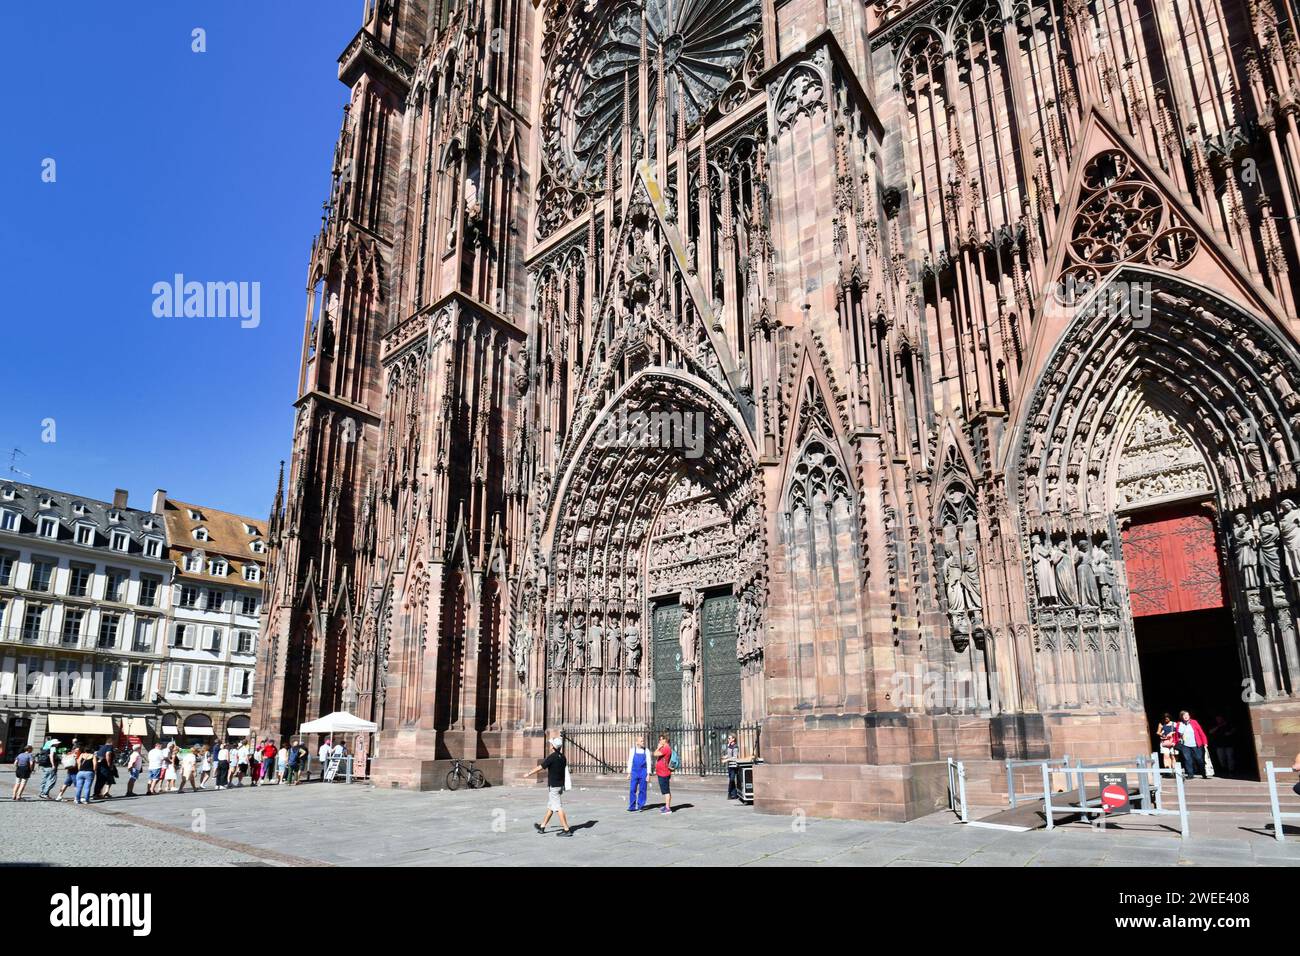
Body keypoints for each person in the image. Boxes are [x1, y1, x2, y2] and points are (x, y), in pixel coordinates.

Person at [525, 735, 573, 836]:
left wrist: (529, 773)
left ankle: (566, 829)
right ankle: (542, 827)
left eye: (551, 744)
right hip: (560, 786)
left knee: (558, 807)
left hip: (554, 786)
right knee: (551, 807)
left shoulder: (552, 757)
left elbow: (540, 767)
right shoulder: (563, 757)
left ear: (553, 746)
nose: (550, 745)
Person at [1176, 710, 1209, 779]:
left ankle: (1203, 773)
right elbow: (1177, 735)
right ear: (1181, 716)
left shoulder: (1194, 722)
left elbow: (1201, 732)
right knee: (1187, 759)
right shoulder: (1179, 724)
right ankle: (1190, 774)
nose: (1186, 717)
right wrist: (1176, 741)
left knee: (1199, 758)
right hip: (1185, 745)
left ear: (1189, 716)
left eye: (1187, 715)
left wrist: (1205, 742)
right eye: (1184, 715)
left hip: (1196, 744)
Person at [626, 735, 651, 812]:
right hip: (634, 772)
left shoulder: (646, 750)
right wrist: (629, 772)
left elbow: (649, 762)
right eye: (641, 741)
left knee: (643, 789)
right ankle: (632, 806)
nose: (643, 742)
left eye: (643, 741)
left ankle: (641, 805)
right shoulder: (632, 750)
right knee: (632, 789)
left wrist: (648, 774)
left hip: (643, 771)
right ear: (637, 742)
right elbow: (630, 761)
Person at [653, 734, 674, 814]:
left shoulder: (666, 748)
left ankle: (668, 808)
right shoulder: (665, 748)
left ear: (665, 740)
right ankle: (667, 806)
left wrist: (658, 747)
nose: (660, 741)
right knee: (665, 790)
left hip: (664, 773)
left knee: (666, 791)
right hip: (662, 772)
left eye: (661, 739)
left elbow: (655, 754)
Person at [722, 733, 741, 800]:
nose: (728, 739)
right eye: (728, 738)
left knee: (732, 779)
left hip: (734, 766)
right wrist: (725, 757)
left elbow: (735, 757)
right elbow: (729, 755)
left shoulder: (735, 747)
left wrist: (726, 760)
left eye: (729, 738)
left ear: (733, 739)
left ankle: (729, 793)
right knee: (731, 780)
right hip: (730, 765)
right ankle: (734, 794)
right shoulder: (729, 746)